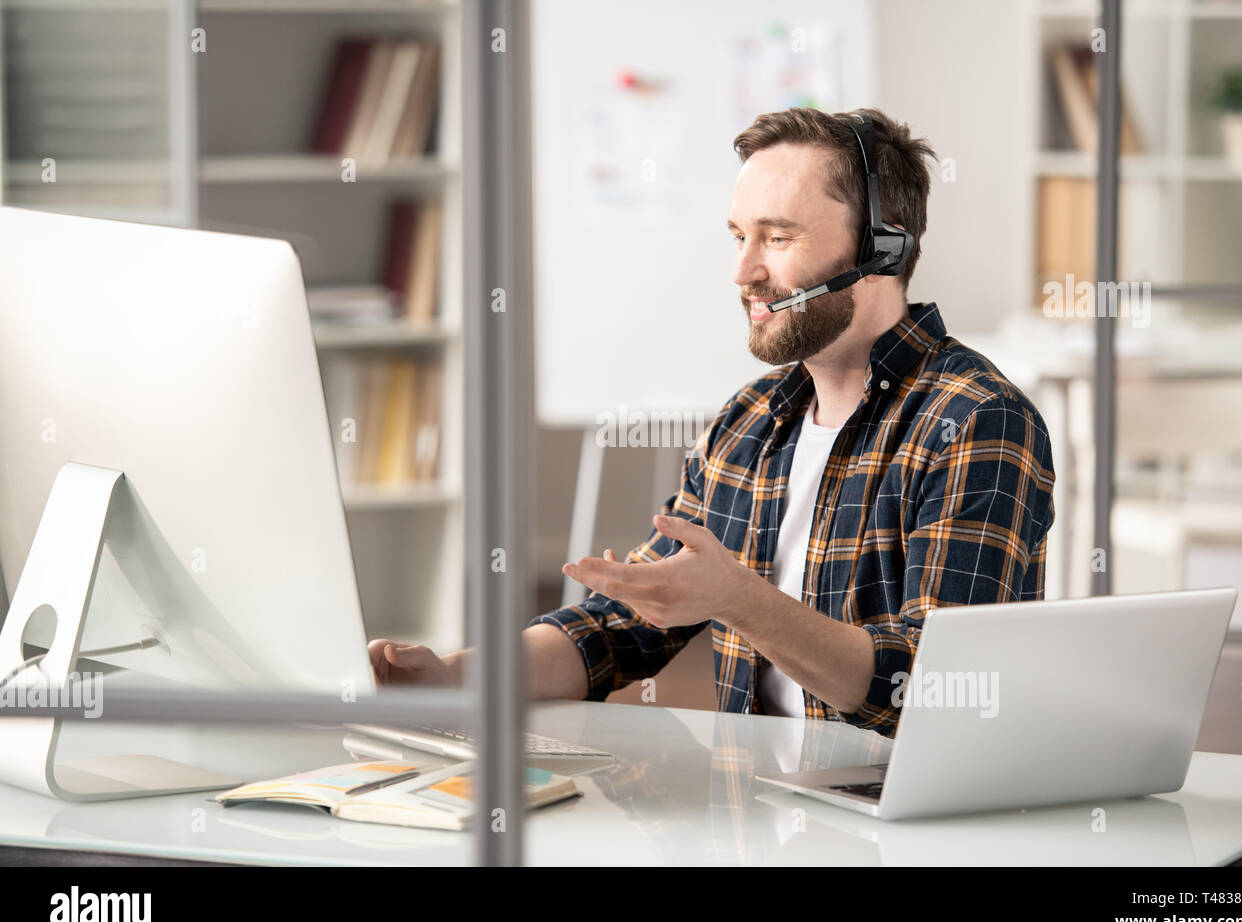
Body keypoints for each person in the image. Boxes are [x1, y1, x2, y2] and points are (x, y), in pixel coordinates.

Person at [370, 106, 1055, 738]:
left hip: (896, 831)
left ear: (883, 248)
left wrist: (740, 600)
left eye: (777, 237)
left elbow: (936, 688)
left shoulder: (974, 420)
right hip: (752, 819)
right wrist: (452, 677)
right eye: (738, 237)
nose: (743, 272)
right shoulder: (749, 420)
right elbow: (621, 629)